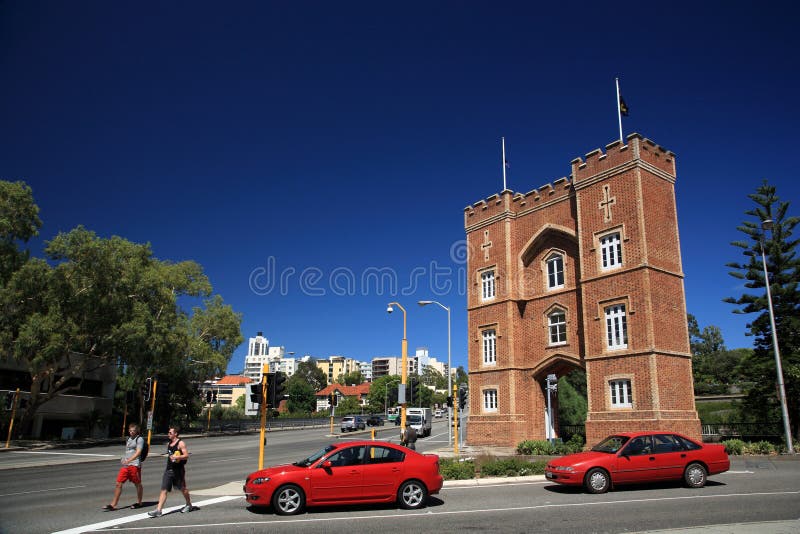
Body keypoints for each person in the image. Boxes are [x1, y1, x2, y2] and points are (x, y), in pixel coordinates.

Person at [148, 426, 193, 518]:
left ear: (175, 434)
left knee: (182, 488)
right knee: (164, 489)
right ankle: (158, 510)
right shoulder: (169, 443)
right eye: (168, 433)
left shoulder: (180, 443)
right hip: (169, 469)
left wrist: (177, 457)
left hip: (178, 471)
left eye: (170, 433)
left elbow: (186, 455)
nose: (168, 434)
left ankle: (189, 505)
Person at [103, 423, 144, 511]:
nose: (132, 432)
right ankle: (113, 504)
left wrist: (129, 460)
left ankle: (139, 502)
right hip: (126, 465)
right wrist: (124, 458)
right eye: (130, 431)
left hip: (135, 465)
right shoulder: (128, 439)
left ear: (137, 431)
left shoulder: (139, 439)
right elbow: (128, 451)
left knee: (137, 484)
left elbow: (138, 452)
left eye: (134, 431)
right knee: (118, 483)